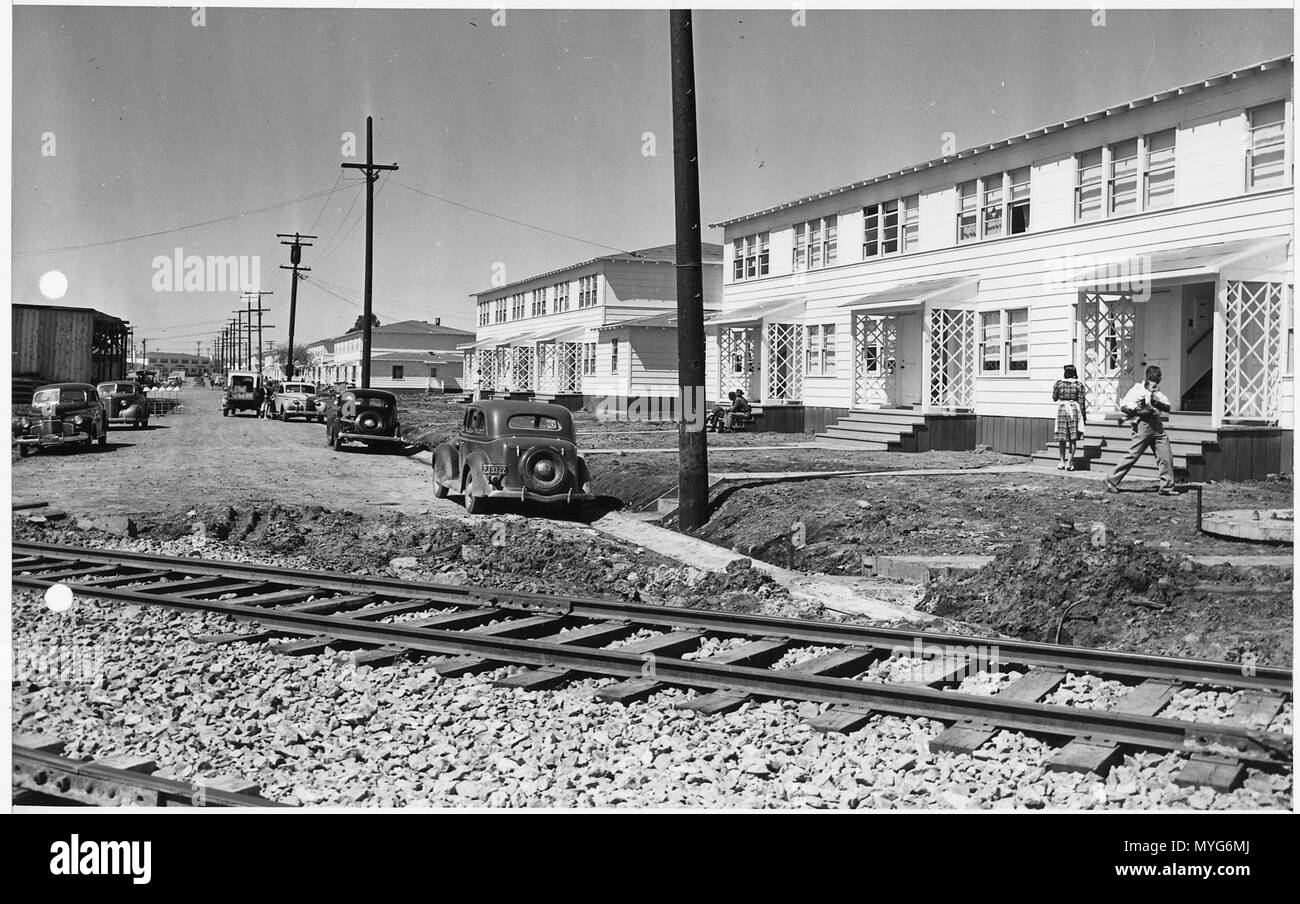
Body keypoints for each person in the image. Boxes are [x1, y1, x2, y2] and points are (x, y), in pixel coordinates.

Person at [1107, 365, 1177, 495]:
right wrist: (1137, 411)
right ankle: (1112, 480)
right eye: (1154, 377)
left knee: (1165, 454)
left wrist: (1155, 401)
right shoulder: (1137, 389)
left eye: (1158, 377)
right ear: (1147, 377)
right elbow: (1124, 406)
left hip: (1156, 424)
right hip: (1143, 424)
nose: (1156, 379)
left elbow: (1168, 407)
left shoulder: (1158, 392)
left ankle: (1167, 486)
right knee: (1133, 454)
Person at [1051, 364, 1087, 470]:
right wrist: (1084, 417)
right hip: (1074, 410)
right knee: (1073, 438)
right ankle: (1069, 463)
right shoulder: (1079, 385)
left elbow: (1054, 398)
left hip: (1062, 409)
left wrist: (1056, 390)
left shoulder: (1059, 384)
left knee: (1062, 437)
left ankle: (1061, 461)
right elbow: (1081, 402)